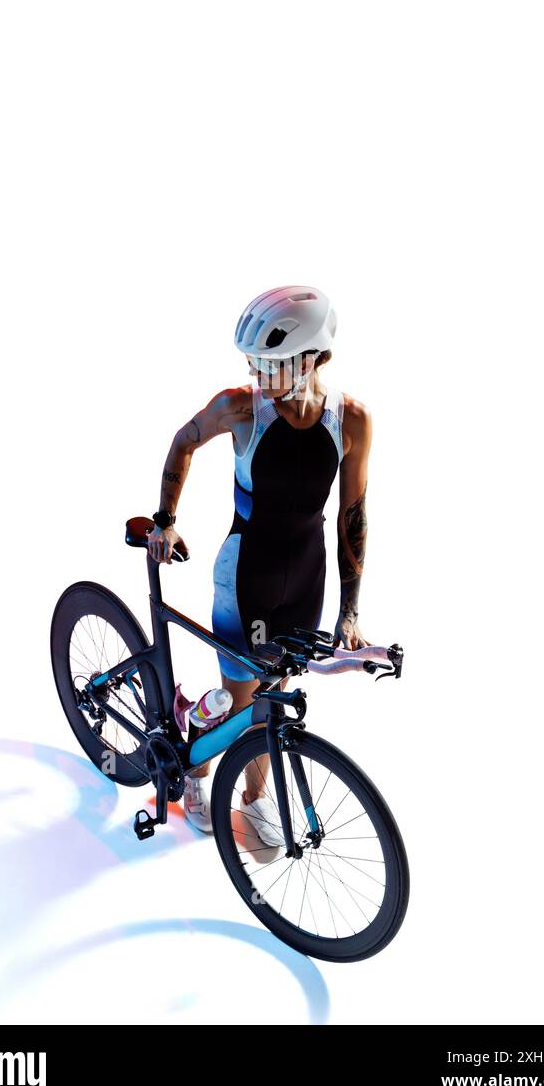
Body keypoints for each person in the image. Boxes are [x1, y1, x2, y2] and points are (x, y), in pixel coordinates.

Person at [146, 285, 372, 837]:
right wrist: (165, 519)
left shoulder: (353, 420)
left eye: (271, 362)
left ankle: (255, 795)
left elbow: (352, 517)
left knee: (279, 692)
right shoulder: (241, 406)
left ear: (316, 357)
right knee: (239, 698)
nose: (257, 372)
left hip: (306, 576)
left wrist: (350, 612)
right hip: (246, 571)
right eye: (253, 361)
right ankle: (195, 767)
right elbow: (184, 441)